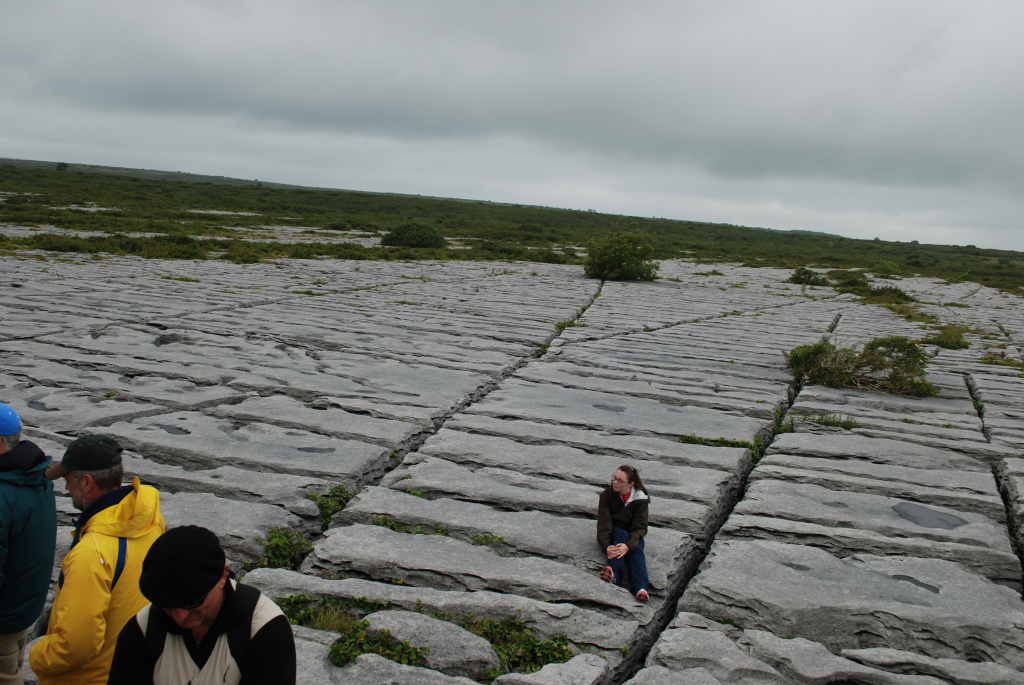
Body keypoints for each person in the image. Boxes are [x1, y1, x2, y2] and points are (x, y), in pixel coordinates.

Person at [29, 435, 164, 685]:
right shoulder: (150, 520)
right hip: (131, 667)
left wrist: (37, 656)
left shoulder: (92, 552)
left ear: (88, 483)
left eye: (68, 480)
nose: (66, 487)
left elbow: (75, 645)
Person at [108, 525, 296, 685]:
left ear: (223, 576)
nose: (179, 616)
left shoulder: (266, 631)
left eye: (192, 602)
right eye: (167, 605)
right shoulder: (142, 630)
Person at [0, 403, 57, 685]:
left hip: (4, 614)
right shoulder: (35, 475)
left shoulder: (4, 492)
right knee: (14, 666)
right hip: (25, 603)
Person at [596, 464, 651, 602]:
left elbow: (640, 528)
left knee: (636, 548)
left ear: (631, 484)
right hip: (613, 531)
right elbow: (604, 524)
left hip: (632, 533)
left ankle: (641, 588)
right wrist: (606, 545)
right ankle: (614, 575)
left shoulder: (640, 498)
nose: (615, 482)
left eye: (620, 481)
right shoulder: (607, 496)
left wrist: (628, 546)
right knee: (622, 535)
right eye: (614, 478)